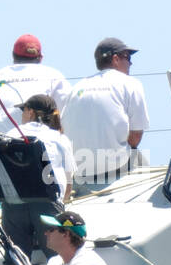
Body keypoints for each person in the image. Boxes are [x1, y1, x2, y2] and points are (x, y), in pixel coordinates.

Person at [2, 94, 76, 265]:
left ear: (31, 112)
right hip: (47, 204)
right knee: (57, 262)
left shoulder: (8, 134)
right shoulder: (60, 138)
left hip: (13, 204)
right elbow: (68, 187)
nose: (21, 115)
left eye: (22, 110)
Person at [63, 37, 150, 190]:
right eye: (127, 57)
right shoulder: (131, 84)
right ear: (115, 59)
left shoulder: (77, 87)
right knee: (145, 165)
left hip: (79, 172)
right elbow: (135, 138)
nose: (131, 63)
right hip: (115, 169)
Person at [0, 34, 71, 135]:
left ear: (13, 56)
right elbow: (67, 113)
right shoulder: (53, 74)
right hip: (32, 145)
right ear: (40, 58)